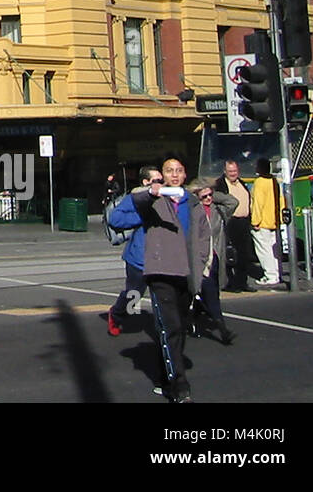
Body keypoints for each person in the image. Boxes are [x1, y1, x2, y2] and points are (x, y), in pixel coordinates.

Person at [109, 156, 208, 403]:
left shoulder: (191, 202)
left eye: (179, 170)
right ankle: (179, 386)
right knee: (148, 308)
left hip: (184, 272)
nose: (174, 175)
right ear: (161, 177)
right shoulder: (148, 199)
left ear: (185, 175)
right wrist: (149, 200)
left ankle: (167, 378)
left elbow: (202, 234)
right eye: (169, 171)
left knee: (178, 327)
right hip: (151, 266)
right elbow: (116, 218)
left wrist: (202, 262)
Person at [105, 164, 160, 336]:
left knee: (163, 296)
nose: (161, 184)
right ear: (146, 182)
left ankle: (164, 330)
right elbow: (115, 219)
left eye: (162, 180)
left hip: (161, 257)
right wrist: (142, 217)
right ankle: (117, 314)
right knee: (133, 296)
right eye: (156, 181)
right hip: (139, 258)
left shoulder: (167, 196)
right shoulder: (136, 198)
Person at [188, 176, 238, 345]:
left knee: (208, 294)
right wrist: (197, 267)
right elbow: (193, 242)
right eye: (204, 196)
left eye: (210, 195)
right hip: (202, 262)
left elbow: (233, 202)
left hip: (217, 258)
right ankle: (223, 330)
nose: (208, 199)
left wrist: (214, 194)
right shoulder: (194, 212)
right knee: (211, 296)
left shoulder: (218, 210)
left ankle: (193, 321)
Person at [214, 159, 254, 290]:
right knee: (230, 254)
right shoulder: (220, 184)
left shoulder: (241, 183)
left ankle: (242, 282)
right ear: (225, 171)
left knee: (244, 254)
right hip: (230, 222)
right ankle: (230, 283)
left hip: (244, 222)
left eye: (235, 171)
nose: (233, 173)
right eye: (230, 171)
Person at [250, 158, 283, 287]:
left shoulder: (259, 182)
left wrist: (255, 221)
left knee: (264, 250)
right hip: (274, 220)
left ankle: (270, 276)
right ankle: (276, 274)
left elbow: (258, 203)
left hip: (262, 221)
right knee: (274, 250)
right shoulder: (274, 181)